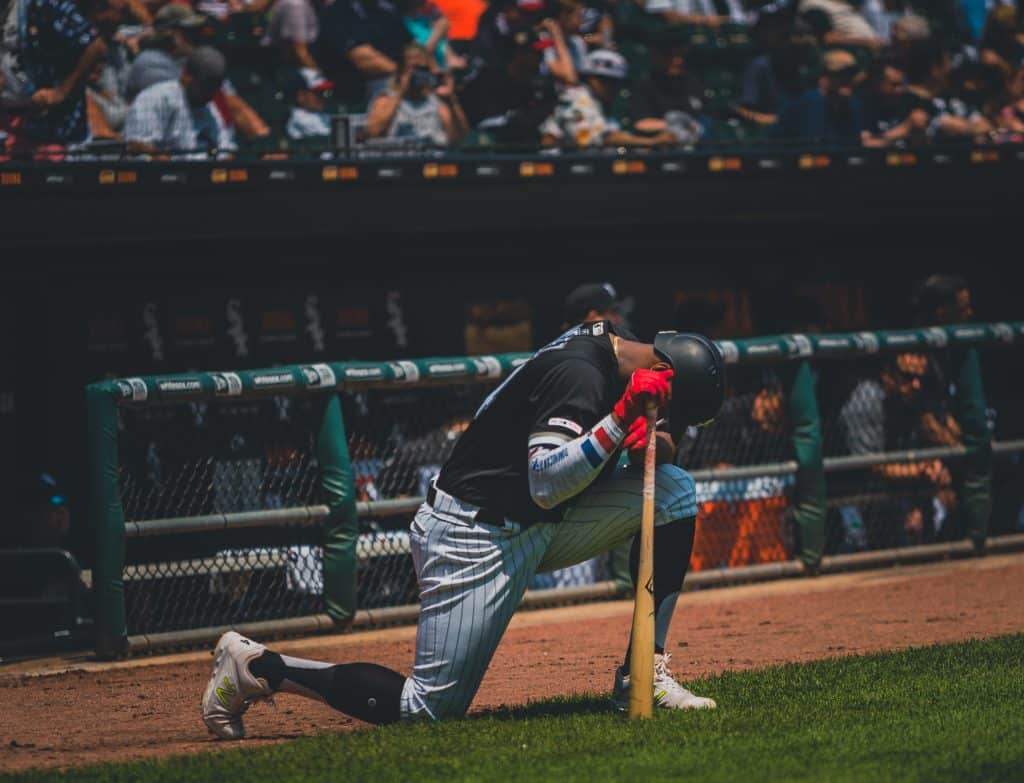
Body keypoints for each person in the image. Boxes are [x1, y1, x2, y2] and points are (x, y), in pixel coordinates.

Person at [201, 323, 725, 735]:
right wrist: (619, 423)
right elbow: (545, 480)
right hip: (474, 535)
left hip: (532, 521)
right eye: (672, 411)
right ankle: (258, 668)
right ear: (660, 368)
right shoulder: (583, 375)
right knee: (427, 709)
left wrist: (644, 435)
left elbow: (611, 453)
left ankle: (644, 669)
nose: (668, 424)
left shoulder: (619, 347)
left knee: (675, 492)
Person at [0, 0, 109, 149]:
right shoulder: (4, 10)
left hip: (54, 132)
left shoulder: (45, 4)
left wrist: (61, 91)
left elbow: (95, 46)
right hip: (12, 125)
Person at [541, 48, 678, 147]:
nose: (614, 88)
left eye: (617, 83)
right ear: (591, 79)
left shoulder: (602, 102)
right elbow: (602, 139)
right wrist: (653, 142)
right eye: (608, 82)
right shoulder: (576, 101)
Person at [123, 44, 228, 153]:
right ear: (186, 75)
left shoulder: (210, 108)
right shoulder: (155, 98)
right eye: (204, 86)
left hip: (203, 168)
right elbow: (136, 145)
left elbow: (226, 148)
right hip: (163, 169)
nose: (209, 94)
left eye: (213, 89)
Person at [365, 42, 468, 145]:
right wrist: (400, 92)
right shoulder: (386, 99)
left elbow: (458, 138)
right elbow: (374, 133)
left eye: (422, 69)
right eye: (413, 69)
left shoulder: (438, 103)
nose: (418, 75)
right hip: (402, 157)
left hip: (435, 156)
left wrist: (450, 100)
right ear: (401, 71)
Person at [770, 48, 866, 145]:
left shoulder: (854, 107)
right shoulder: (803, 105)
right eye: (840, 75)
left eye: (851, 75)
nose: (847, 80)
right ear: (823, 78)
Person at [284, 67, 334, 140]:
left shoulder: (325, 115)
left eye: (325, 91)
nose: (324, 96)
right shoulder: (299, 121)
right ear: (301, 96)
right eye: (318, 93)